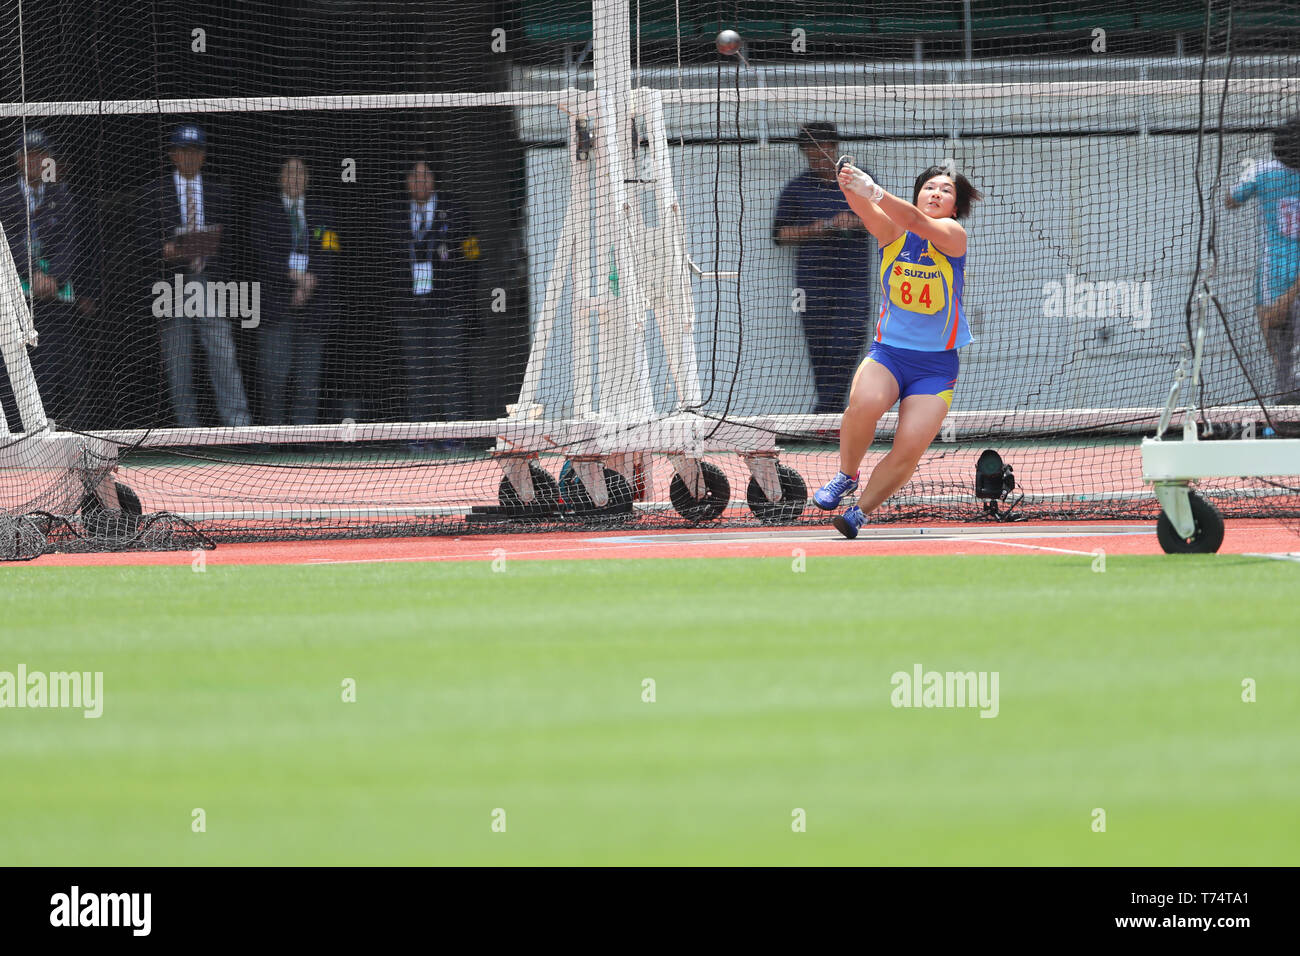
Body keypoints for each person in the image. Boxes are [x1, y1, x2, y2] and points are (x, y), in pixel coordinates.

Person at [812, 161, 983, 539]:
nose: (936, 193)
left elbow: (917, 222)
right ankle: (846, 475)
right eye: (929, 188)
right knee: (864, 403)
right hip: (889, 354)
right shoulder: (893, 233)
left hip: (935, 366)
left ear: (954, 208)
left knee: (909, 447)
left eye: (946, 190)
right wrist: (848, 182)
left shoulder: (953, 235)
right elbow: (862, 206)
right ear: (917, 195)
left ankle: (860, 512)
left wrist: (872, 189)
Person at [142, 123, 252, 427]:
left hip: (210, 282)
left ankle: (239, 427)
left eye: (196, 151)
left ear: (203, 155)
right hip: (171, 284)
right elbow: (142, 239)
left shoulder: (220, 191)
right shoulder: (155, 191)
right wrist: (166, 249)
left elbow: (233, 241)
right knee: (179, 360)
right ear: (172, 154)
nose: (190, 157)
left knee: (223, 351)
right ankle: (187, 429)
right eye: (183, 151)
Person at [772, 122, 876, 413]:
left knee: (848, 344)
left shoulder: (859, 183)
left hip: (853, 281)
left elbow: (883, 221)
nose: (821, 159)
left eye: (826, 152)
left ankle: (827, 413)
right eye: (813, 155)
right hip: (811, 284)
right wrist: (819, 229)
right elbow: (780, 235)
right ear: (804, 154)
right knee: (820, 350)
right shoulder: (797, 189)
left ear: (836, 148)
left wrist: (852, 221)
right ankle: (831, 416)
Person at [0, 129, 97, 430]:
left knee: (63, 367)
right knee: (15, 366)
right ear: (18, 160)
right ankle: (21, 433)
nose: (35, 161)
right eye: (29, 155)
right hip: (15, 298)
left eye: (41, 155)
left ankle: (69, 431)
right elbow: (7, 241)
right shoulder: (3, 196)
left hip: (55, 298)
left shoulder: (62, 194)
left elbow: (71, 242)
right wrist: (32, 272)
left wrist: (53, 277)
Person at [389, 159, 473, 449]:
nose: (420, 181)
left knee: (450, 370)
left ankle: (455, 434)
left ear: (435, 179)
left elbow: (471, 257)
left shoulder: (457, 210)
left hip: (447, 305)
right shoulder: (394, 213)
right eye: (414, 175)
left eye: (426, 175)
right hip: (409, 308)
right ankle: (418, 434)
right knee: (416, 373)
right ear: (406, 180)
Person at [253, 156, 338, 425]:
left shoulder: (323, 212)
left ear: (309, 178)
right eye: (289, 172)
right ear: (279, 178)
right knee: (274, 375)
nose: (295, 178)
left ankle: (303, 439)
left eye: (301, 172)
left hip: (314, 305)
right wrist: (291, 277)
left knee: (308, 377)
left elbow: (331, 251)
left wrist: (310, 281)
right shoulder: (264, 211)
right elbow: (259, 252)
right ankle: (272, 435)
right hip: (276, 303)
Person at [1227, 113, 1300, 404]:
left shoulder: (1262, 171)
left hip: (1275, 276)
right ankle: (1288, 400)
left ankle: (1286, 401)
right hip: (1281, 277)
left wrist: (1252, 177)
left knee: (1281, 351)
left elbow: (1231, 200)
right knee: (1286, 355)